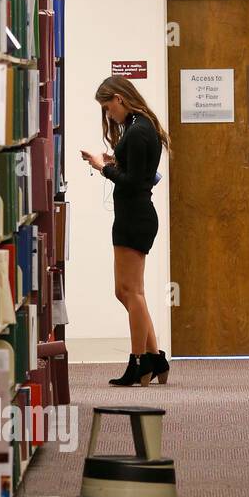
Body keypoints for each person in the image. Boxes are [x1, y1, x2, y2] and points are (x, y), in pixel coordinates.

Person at [81, 76, 171, 387]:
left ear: (119, 98)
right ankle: (155, 358)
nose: (108, 115)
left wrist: (101, 166)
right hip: (135, 215)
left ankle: (139, 362)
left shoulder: (137, 130)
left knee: (130, 292)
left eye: (108, 108)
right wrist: (114, 162)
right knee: (128, 291)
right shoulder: (143, 126)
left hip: (134, 216)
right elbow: (140, 173)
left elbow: (134, 182)